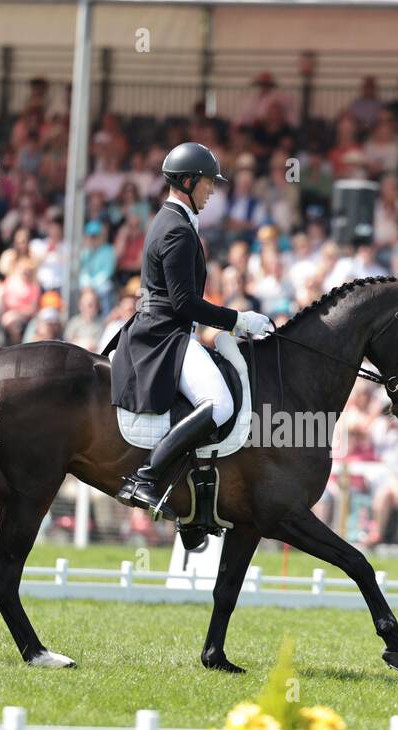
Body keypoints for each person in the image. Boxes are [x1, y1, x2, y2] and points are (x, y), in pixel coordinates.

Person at [109, 143, 273, 542]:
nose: (212, 191)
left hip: (165, 329)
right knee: (219, 404)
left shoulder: (171, 221)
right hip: (165, 335)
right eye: (207, 184)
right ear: (186, 182)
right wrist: (237, 319)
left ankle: (195, 505)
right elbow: (184, 303)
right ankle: (146, 478)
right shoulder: (177, 229)